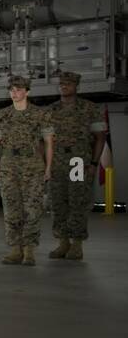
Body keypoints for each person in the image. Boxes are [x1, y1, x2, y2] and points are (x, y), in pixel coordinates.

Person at [45, 71, 107, 260]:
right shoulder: (51, 110)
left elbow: (100, 137)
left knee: (77, 202)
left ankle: (77, 244)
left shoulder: (89, 108)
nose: (64, 86)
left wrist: (94, 163)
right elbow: (43, 140)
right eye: (62, 83)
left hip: (78, 161)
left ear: (76, 86)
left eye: (69, 84)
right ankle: (63, 242)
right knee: (58, 203)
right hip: (56, 162)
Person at [0, 75, 54, 266]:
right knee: (11, 209)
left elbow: (48, 143)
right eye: (11, 90)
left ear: (27, 91)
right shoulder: (2, 115)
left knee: (32, 209)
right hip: (8, 164)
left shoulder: (40, 114)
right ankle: (15, 249)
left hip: (32, 165)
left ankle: (29, 250)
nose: (15, 93)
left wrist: (48, 167)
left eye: (19, 89)